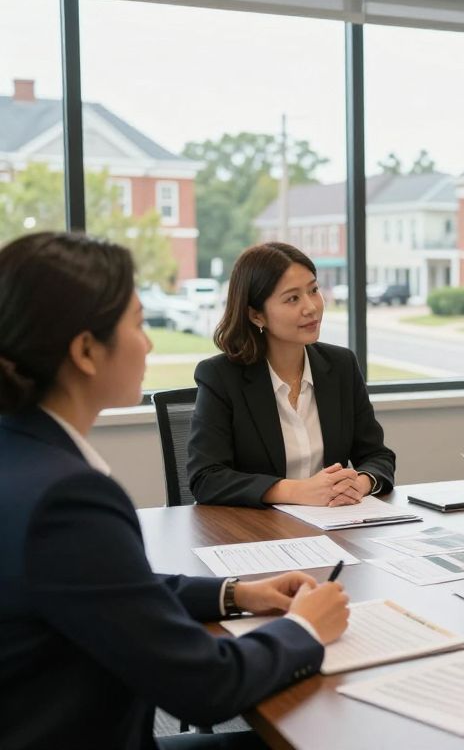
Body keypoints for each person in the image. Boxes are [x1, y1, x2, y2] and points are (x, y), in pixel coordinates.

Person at [0, 232, 350, 749]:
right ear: (86, 351)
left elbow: (111, 588)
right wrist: (303, 630)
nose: (150, 343)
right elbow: (207, 686)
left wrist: (235, 593)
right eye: (139, 324)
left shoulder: (22, 457)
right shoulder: (67, 499)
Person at [188, 243, 395, 508]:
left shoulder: (341, 366)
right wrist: (296, 491)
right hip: (258, 534)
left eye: (314, 290)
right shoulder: (220, 377)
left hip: (335, 526)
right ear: (256, 314)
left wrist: (360, 483)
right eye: (292, 298)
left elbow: (377, 455)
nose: (311, 307)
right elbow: (206, 478)